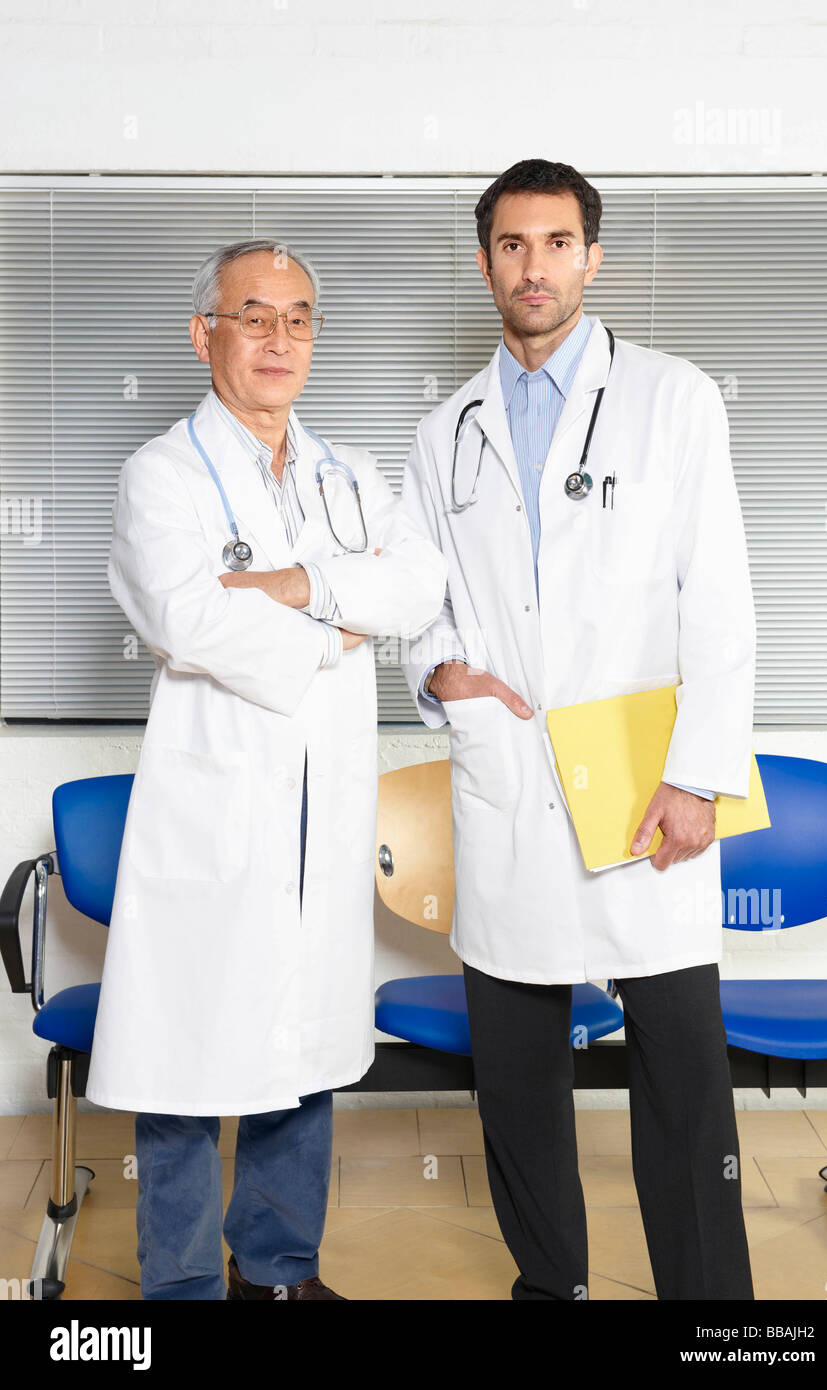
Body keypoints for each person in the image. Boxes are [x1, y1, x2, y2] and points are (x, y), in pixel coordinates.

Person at [400, 159, 756, 1300]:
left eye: (556, 242)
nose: (534, 265)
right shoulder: (443, 431)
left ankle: (713, 1315)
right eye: (512, 244)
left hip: (647, 787)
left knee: (684, 1080)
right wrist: (439, 671)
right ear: (485, 262)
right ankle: (550, 1289)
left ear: (591, 257)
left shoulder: (673, 398)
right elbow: (419, 601)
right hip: (508, 792)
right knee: (514, 1081)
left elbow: (723, 602)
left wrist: (698, 775)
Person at [86, 238, 447, 1300]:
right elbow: (186, 617)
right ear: (207, 334)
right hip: (216, 807)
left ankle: (281, 1268)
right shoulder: (160, 474)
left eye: (298, 318)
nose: (279, 338)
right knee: (189, 1048)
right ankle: (187, 1286)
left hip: (323, 804)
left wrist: (291, 585)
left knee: (306, 1044)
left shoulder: (348, 472)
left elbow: (418, 584)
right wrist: (339, 619)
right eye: (254, 315)